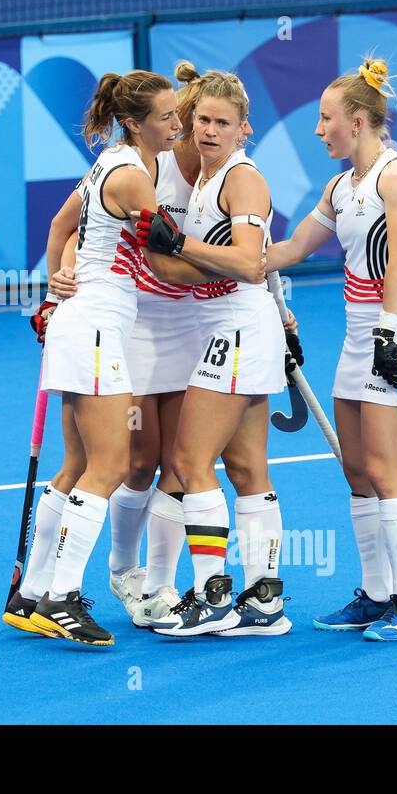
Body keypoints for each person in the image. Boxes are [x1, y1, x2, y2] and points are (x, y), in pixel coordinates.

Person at [5, 70, 261, 647]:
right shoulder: (134, 178)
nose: (180, 126)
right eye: (169, 118)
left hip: (82, 324)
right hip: (97, 328)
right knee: (110, 466)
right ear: (134, 123)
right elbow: (164, 258)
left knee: (75, 467)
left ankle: (31, 593)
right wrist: (240, 273)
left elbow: (61, 224)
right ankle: (63, 599)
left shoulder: (111, 162)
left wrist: (54, 292)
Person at [265, 57, 397, 642]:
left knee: (388, 473)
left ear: (359, 123)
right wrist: (210, 253)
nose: (319, 130)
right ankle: (375, 594)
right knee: (358, 472)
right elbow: (291, 250)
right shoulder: (340, 187)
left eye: (327, 119)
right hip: (357, 340)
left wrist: (388, 334)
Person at [138, 69, 299, 637]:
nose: (209, 130)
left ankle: (213, 598)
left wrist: (178, 244)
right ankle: (265, 601)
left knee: (188, 462)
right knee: (247, 468)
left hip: (237, 332)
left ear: (243, 129)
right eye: (202, 120)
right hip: (233, 329)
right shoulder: (206, 181)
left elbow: (251, 262)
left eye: (222, 123)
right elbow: (205, 269)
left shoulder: (242, 179)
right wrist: (166, 260)